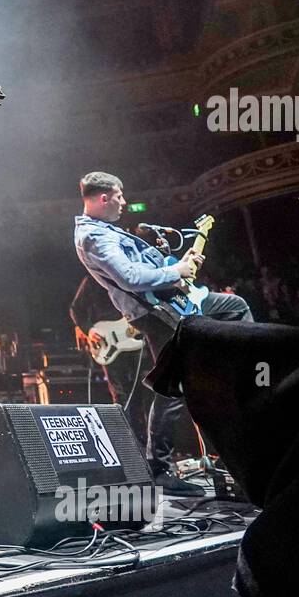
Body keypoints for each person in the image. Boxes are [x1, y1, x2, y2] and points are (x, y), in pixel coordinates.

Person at [72, 171, 253, 496]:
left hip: (170, 303)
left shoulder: (105, 231)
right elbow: (129, 277)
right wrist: (176, 271)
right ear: (103, 198)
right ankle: (158, 468)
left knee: (233, 306)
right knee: (172, 387)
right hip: (156, 314)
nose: (124, 202)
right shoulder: (95, 237)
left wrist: (177, 266)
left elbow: (145, 269)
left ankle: (247, 370)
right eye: (119, 196)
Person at [68, 276, 148, 441]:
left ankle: (147, 439)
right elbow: (76, 309)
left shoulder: (130, 274)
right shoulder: (93, 279)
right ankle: (126, 439)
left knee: (145, 387)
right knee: (120, 393)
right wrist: (89, 330)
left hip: (136, 338)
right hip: (107, 340)